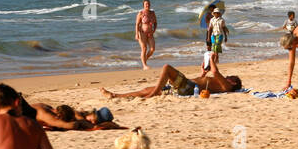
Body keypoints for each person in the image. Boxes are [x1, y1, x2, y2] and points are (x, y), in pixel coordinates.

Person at [100, 62, 242, 99]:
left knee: (167, 68)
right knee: (146, 90)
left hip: (188, 88)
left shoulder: (226, 87)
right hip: (185, 87)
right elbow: (208, 78)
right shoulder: (221, 84)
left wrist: (210, 57)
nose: (227, 77)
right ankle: (115, 95)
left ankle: (154, 94)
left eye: (229, 78)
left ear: (233, 82)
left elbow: (215, 71)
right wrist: (203, 73)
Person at [135, 0, 157, 69]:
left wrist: (154, 31)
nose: (147, 5)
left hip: (150, 33)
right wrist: (137, 34)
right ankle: (144, 65)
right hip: (142, 33)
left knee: (152, 49)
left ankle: (144, 60)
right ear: (143, 5)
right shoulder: (141, 13)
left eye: (148, 4)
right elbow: (137, 24)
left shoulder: (152, 13)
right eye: (146, 4)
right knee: (144, 48)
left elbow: (156, 23)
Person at [206, 7, 227, 71]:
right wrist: (208, 37)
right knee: (214, 46)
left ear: (219, 14)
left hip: (220, 34)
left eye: (218, 13)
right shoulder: (212, 20)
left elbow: (223, 28)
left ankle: (216, 57)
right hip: (213, 35)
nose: (216, 14)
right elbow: (210, 29)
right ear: (214, 13)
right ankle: (216, 57)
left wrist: (226, 36)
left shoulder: (222, 20)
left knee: (217, 44)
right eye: (215, 13)